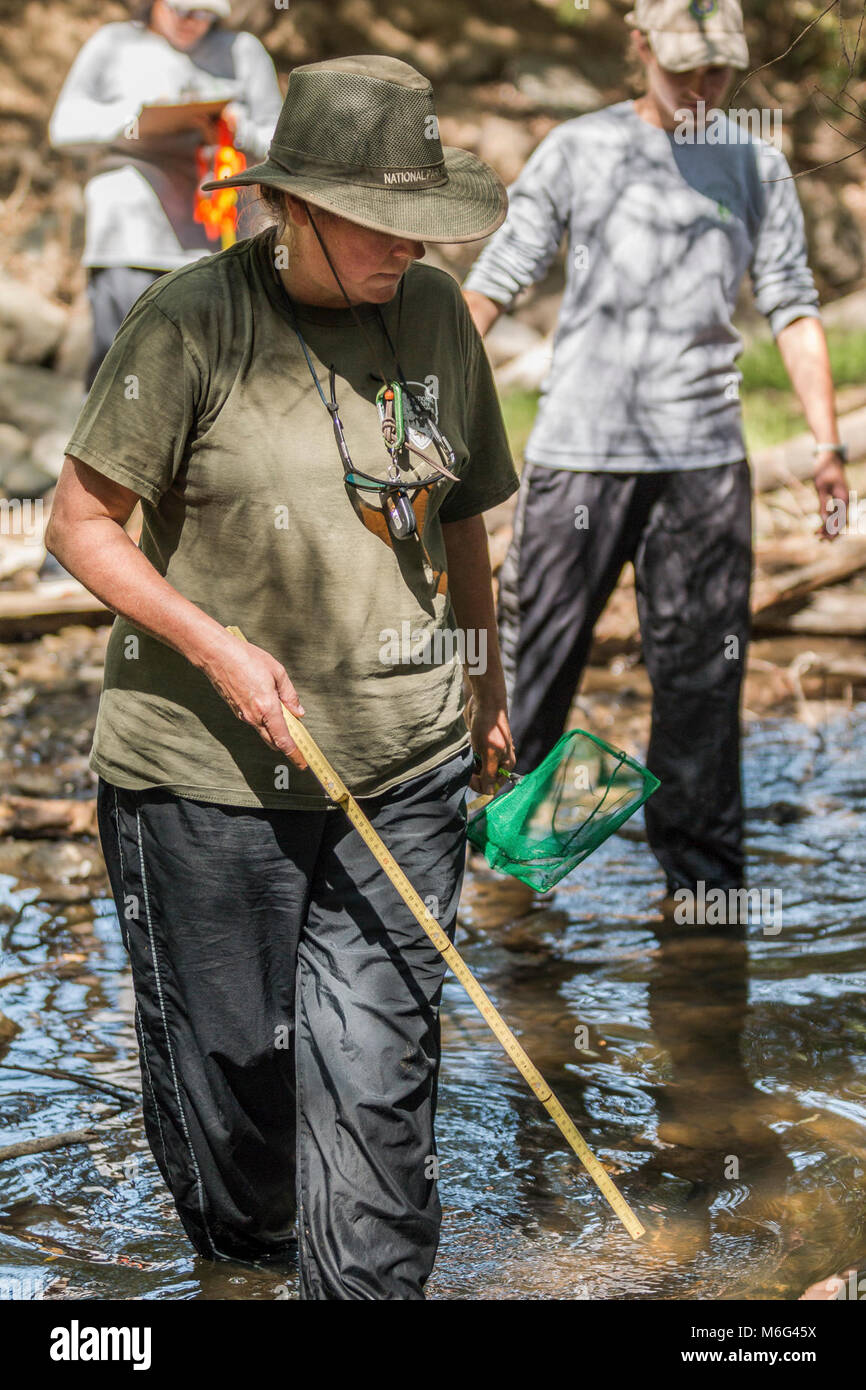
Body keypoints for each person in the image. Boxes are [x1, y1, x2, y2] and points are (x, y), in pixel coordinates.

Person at [44, 54, 518, 1301]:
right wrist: (217, 643)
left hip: (402, 772)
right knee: (241, 1102)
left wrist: (486, 686)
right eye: (380, 221)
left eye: (425, 220)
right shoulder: (189, 320)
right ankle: (244, 1274)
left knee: (375, 1094)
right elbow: (78, 526)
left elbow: (460, 516)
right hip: (203, 785)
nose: (408, 247)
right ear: (293, 206)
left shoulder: (430, 315)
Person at [462, 0, 848, 901]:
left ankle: (702, 908)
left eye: (720, 71)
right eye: (687, 71)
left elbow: (791, 302)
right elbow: (495, 280)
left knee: (702, 697)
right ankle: (500, 884)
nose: (706, 89)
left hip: (704, 465)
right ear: (639, 47)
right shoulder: (579, 148)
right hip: (580, 457)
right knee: (527, 678)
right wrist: (419, 391)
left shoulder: (754, 160)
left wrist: (825, 443)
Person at [49, 0, 282, 388]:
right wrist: (134, 117)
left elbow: (279, 144)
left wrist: (238, 130)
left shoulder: (242, 51)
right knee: (119, 374)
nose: (193, 22)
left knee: (204, 381)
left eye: (205, 15)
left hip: (214, 248)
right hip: (128, 244)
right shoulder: (114, 43)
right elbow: (64, 128)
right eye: (182, 10)